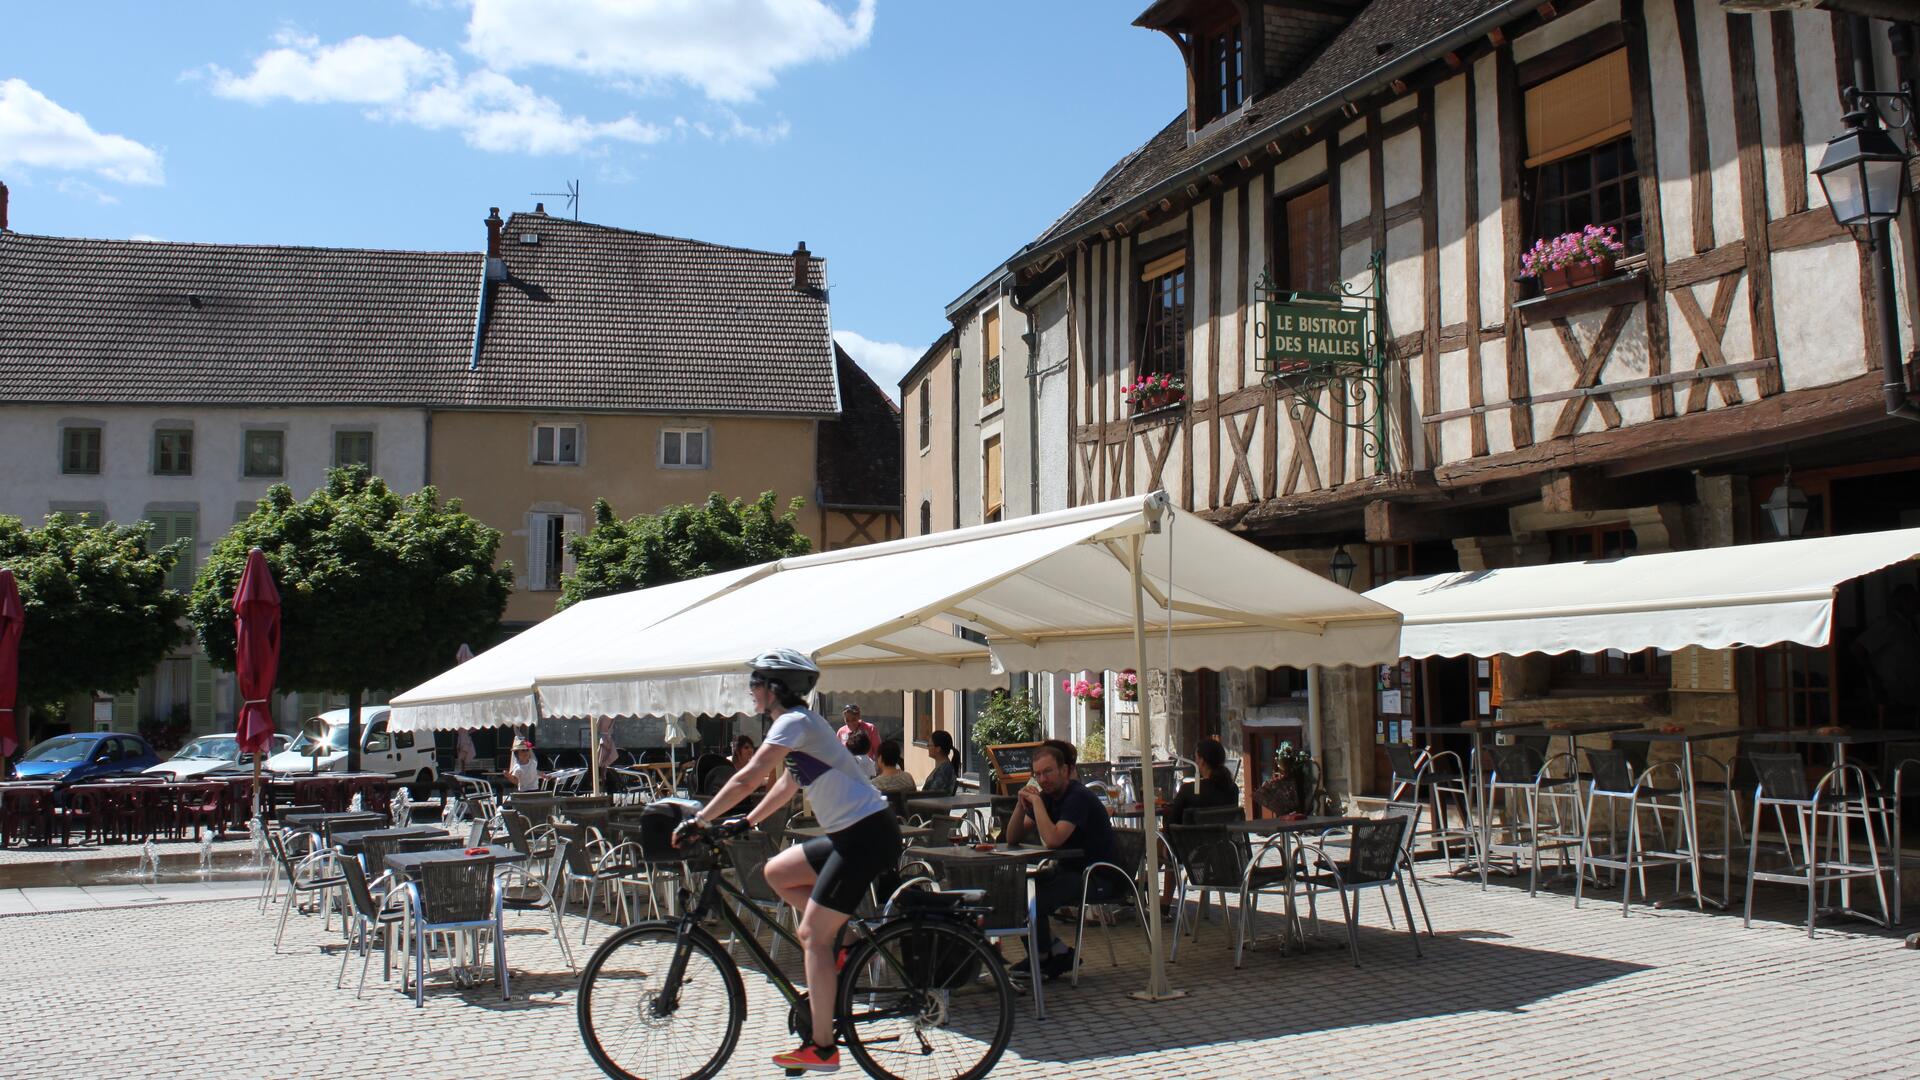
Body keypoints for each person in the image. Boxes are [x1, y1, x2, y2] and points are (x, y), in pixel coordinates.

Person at [677, 649, 902, 1073]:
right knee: (776, 871)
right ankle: (848, 941)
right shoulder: (804, 728)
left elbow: (750, 775)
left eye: (757, 683)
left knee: (812, 935)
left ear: (776, 688)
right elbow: (785, 784)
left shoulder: (794, 722)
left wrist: (701, 819)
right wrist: (744, 820)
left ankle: (822, 1048)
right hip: (850, 833)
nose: (752, 691)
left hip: (866, 836)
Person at [1005, 739, 1117, 980]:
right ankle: (1052, 953)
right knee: (1018, 892)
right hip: (1070, 870)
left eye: (1048, 772)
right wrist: (1020, 804)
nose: (1043, 779)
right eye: (1038, 774)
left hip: (1098, 876)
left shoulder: (1077, 797)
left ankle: (1046, 956)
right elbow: (1012, 837)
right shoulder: (1046, 796)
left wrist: (1036, 803)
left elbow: (1053, 840)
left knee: (1034, 902)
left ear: (1064, 770)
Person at [1160, 737, 1239, 916]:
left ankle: (1158, 896)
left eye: (1196, 756)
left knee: (1157, 841)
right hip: (1224, 852)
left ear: (1201, 760)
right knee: (1165, 842)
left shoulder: (1189, 790)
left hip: (1191, 853)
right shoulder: (1232, 789)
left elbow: (1172, 820)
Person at [922, 729, 959, 796]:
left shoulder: (945, 769)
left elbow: (933, 794)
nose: (927, 747)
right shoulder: (942, 767)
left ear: (938, 749)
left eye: (929, 745)